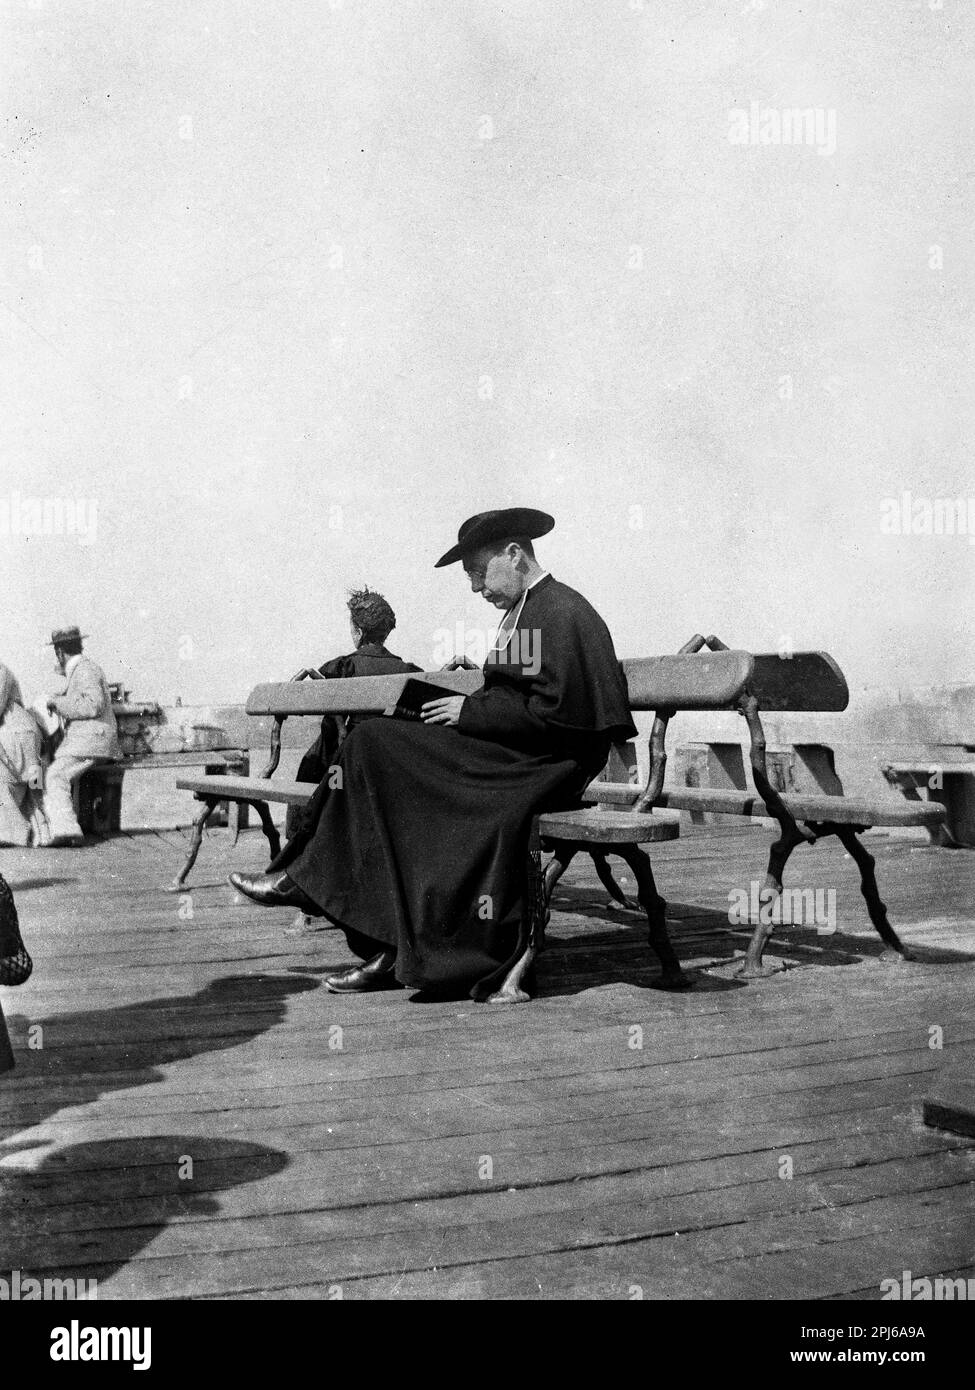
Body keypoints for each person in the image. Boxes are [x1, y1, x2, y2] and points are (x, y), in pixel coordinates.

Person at [230, 508, 636, 1000]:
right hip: (511, 754)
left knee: (375, 746)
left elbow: (567, 720)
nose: (474, 588)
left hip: (540, 769)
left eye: (477, 573)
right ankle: (377, 939)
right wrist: (450, 710)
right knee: (373, 742)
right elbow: (517, 697)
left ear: (514, 554)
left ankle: (312, 886)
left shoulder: (565, 612)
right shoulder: (528, 609)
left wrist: (469, 714)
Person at [285, 588, 421, 839]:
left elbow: (327, 723)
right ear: (386, 632)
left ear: (358, 632)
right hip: (389, 766)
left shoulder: (342, 667)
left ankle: (299, 839)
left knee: (313, 762)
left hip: (342, 768)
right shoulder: (407, 670)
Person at [41, 627, 121, 847]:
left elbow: (92, 705)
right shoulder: (85, 668)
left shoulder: (84, 670)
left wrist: (57, 703)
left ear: (59, 651)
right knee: (59, 775)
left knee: (55, 776)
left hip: (92, 740)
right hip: (94, 740)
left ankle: (68, 831)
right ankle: (68, 829)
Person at [0, 664, 48, 848]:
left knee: (31, 786)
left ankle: (21, 832)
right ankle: (40, 831)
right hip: (23, 735)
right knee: (33, 787)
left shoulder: (1, 671)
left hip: (17, 736)